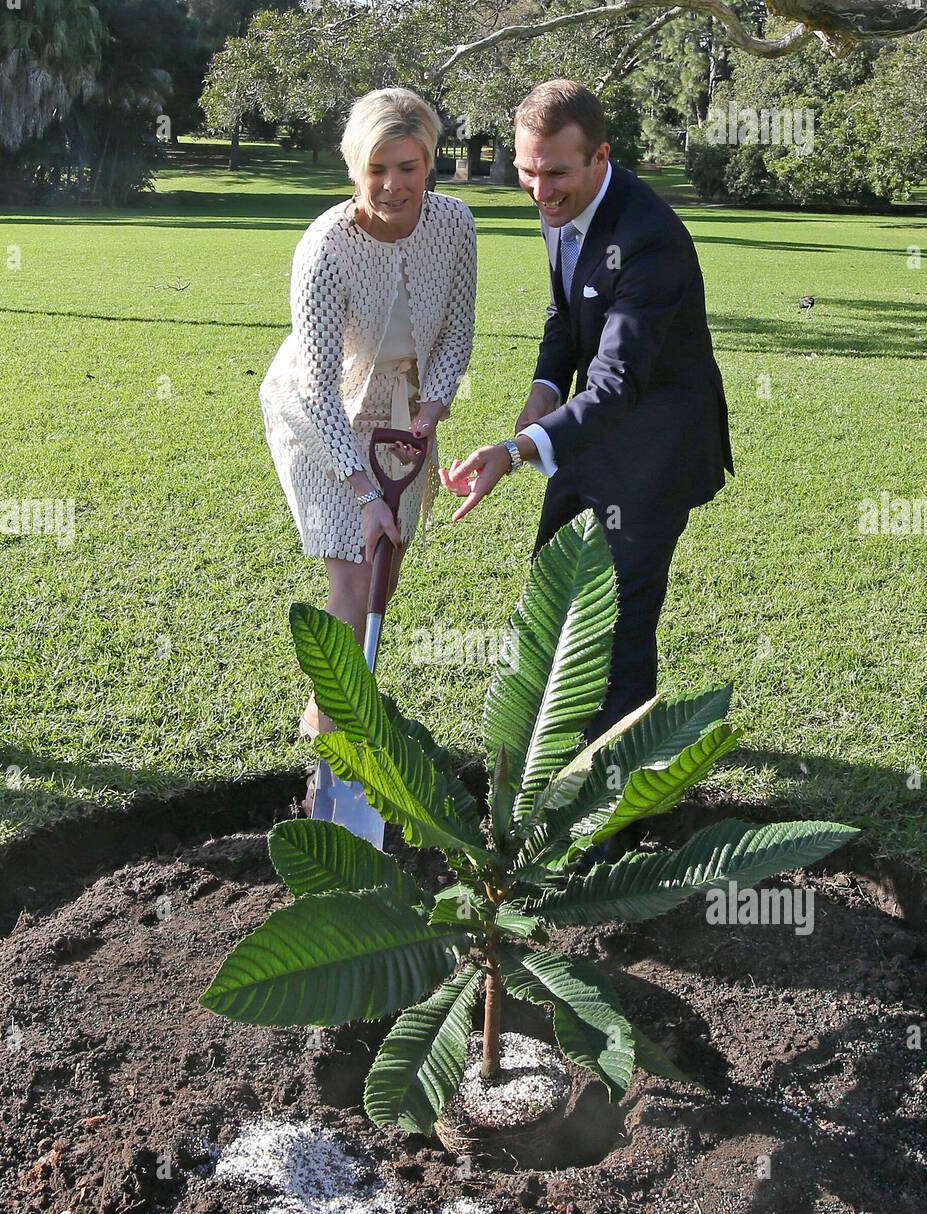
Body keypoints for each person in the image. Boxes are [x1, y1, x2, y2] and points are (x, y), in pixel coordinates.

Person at [441, 79, 733, 860]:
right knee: (556, 602)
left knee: (617, 630)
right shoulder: (563, 210)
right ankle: (540, 778)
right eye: (527, 172)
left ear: (601, 157)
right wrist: (539, 395)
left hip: (654, 449)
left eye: (557, 174)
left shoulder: (650, 238)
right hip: (588, 437)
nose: (539, 191)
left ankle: (606, 832)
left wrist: (514, 452)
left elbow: (617, 383)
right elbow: (564, 321)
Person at [259, 87, 477, 803]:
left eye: (408, 167)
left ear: (429, 162)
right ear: (356, 166)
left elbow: (456, 335)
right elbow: (317, 387)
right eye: (376, 168)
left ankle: (341, 708)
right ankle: (336, 741)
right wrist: (358, 485)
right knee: (353, 582)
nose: (393, 186)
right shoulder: (326, 245)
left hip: (406, 424)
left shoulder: (455, 224)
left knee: (385, 572)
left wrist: (435, 404)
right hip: (325, 422)